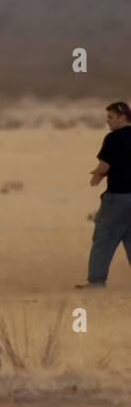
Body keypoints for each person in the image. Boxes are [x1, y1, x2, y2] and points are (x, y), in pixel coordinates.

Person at [77, 100, 131, 289]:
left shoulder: (113, 138)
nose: (108, 121)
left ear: (122, 118)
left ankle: (96, 281)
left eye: (111, 117)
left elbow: (104, 166)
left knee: (104, 238)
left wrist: (96, 176)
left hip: (117, 197)